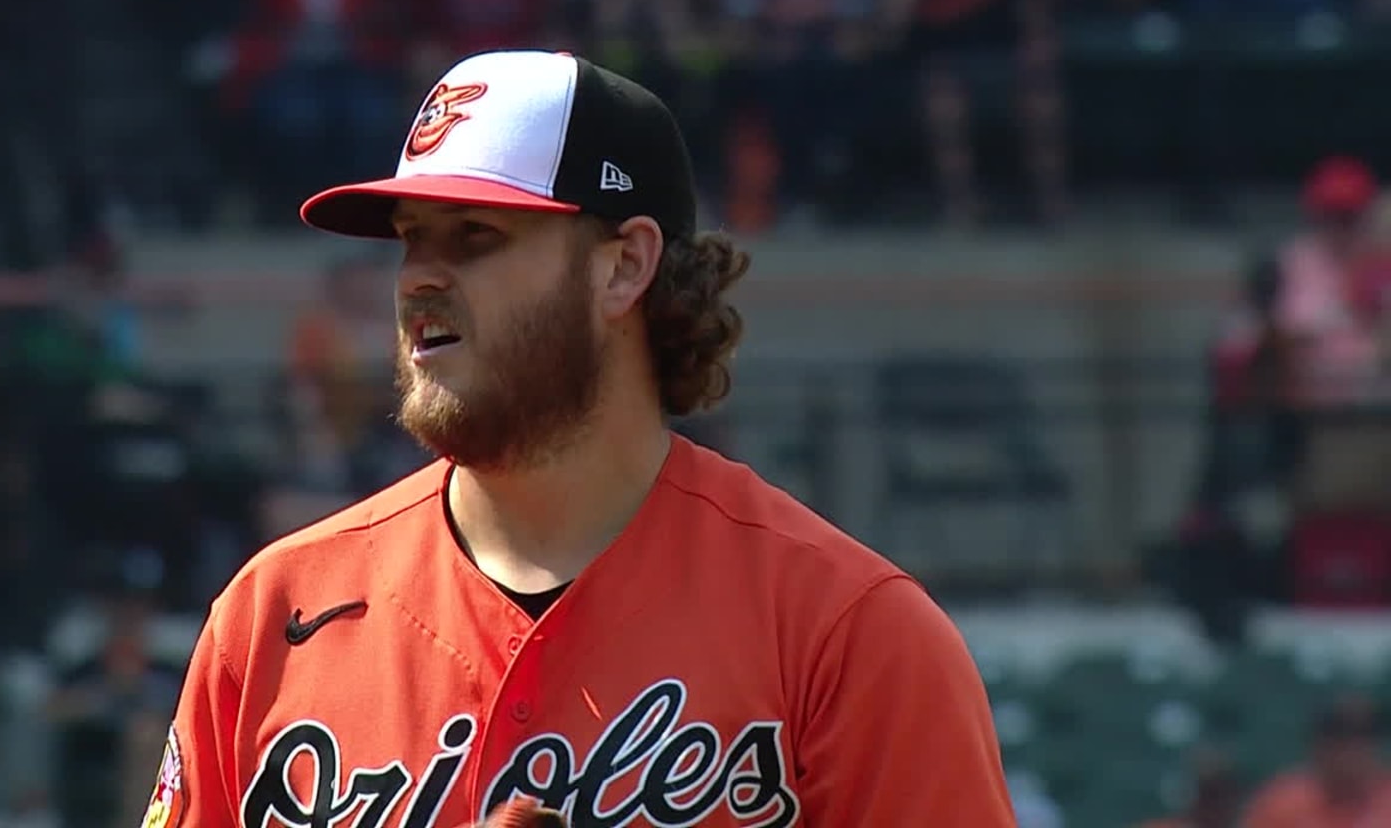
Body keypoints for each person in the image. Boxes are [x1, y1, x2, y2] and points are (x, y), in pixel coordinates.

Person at [142, 49, 1013, 827]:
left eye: (475, 236)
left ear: (625, 265)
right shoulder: (271, 616)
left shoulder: (846, 632)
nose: (420, 280)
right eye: (412, 241)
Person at [1242, 695, 1391, 827]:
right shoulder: (1281, 804)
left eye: (1364, 736)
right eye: (1340, 736)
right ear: (1318, 744)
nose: (1352, 750)